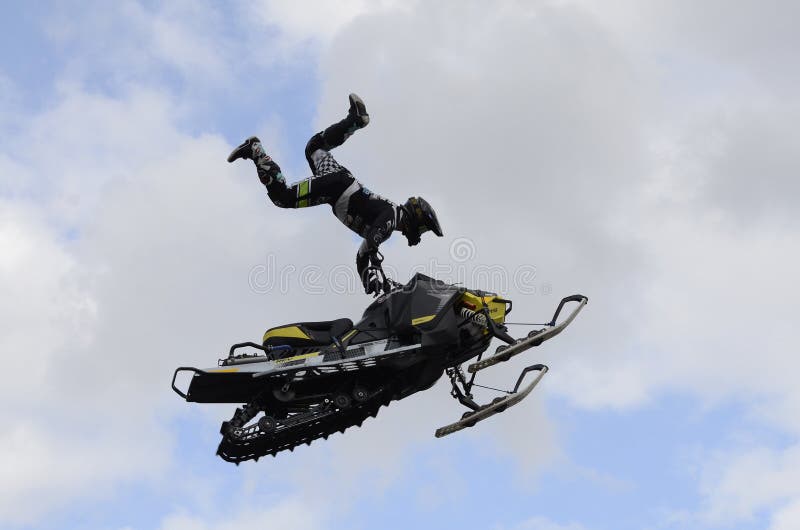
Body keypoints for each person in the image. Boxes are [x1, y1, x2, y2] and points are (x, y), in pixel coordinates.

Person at [227, 93, 443, 295]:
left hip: (339, 180)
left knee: (313, 148)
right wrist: (375, 268)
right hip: (335, 188)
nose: (420, 234)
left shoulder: (390, 219)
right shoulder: (393, 217)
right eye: (423, 229)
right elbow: (372, 240)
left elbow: (361, 255)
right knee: (282, 198)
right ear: (416, 217)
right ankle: (255, 150)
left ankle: (356, 120)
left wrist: (367, 279)